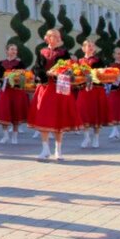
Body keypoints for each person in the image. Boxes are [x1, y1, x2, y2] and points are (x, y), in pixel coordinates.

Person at [28, 28, 82, 160]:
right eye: (54, 36)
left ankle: (58, 150)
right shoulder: (42, 52)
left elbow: (69, 69)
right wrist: (46, 73)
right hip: (45, 87)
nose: (57, 38)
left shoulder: (64, 53)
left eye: (58, 36)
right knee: (43, 117)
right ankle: (45, 149)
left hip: (59, 88)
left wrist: (62, 72)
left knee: (59, 118)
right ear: (47, 38)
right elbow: (36, 68)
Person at [76, 40, 110, 148]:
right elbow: (76, 75)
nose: (90, 48)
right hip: (84, 90)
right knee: (83, 113)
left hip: (96, 89)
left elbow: (103, 73)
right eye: (88, 46)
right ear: (83, 48)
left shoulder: (99, 60)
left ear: (94, 49)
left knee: (96, 113)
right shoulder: (79, 61)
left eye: (92, 46)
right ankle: (86, 137)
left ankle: (96, 137)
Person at [0, 43, 28, 144]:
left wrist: (16, 78)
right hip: (5, 90)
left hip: (17, 91)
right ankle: (5, 135)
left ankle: (14, 136)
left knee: (16, 112)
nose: (14, 51)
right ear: (7, 51)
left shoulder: (20, 63)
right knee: (4, 111)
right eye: (12, 49)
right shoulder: (1, 63)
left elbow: (24, 75)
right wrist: (5, 79)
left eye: (15, 50)